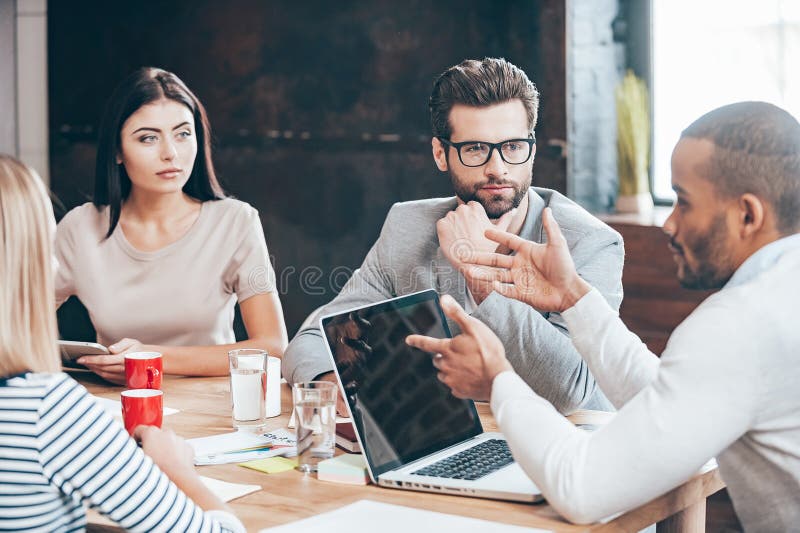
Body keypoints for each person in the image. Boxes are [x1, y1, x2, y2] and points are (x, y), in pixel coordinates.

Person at [406, 101, 800, 531]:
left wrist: (498, 378)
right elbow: (668, 398)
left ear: (748, 215)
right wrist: (573, 297)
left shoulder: (740, 325)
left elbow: (580, 490)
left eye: (684, 203)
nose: (669, 224)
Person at [282, 58, 624, 414]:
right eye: (475, 148)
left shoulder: (589, 243)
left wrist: (480, 275)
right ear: (440, 154)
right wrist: (329, 378)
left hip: (564, 453)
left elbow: (568, 391)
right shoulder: (407, 227)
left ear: (532, 149)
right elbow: (313, 339)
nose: (498, 168)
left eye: (513, 146)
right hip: (445, 443)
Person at [0, 154, 245, 532]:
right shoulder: (47, 411)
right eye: (46, 250)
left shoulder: (234, 220)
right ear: (25, 266)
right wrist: (177, 472)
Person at [55, 67, 287, 384]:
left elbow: (272, 348)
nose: (171, 153)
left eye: (182, 134)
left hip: (215, 416)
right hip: (117, 412)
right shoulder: (81, 228)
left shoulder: (235, 222)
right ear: (117, 151)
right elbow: (17, 325)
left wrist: (152, 360)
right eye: (148, 138)